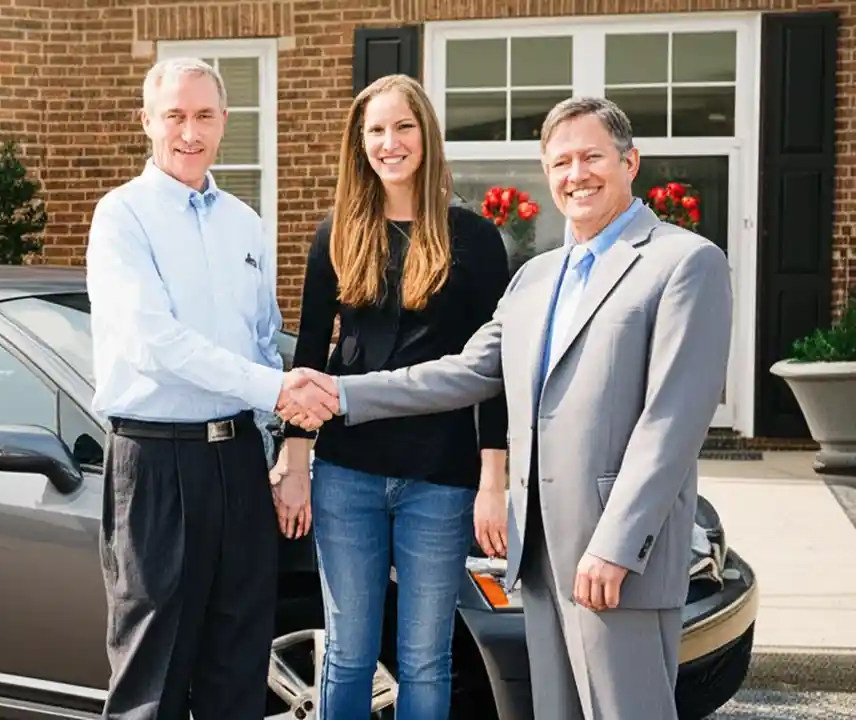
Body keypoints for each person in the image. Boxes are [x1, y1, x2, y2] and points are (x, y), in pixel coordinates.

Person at [290, 96, 734, 720]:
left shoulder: (684, 262)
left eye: (592, 157)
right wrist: (342, 394)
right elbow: (467, 372)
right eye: (561, 163)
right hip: (541, 556)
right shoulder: (537, 277)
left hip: (615, 558)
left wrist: (616, 544)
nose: (576, 175)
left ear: (630, 162)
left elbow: (672, 424)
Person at [85, 57, 338, 720]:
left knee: (239, 669)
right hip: (156, 462)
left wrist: (283, 450)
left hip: (238, 463)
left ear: (226, 121)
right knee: (153, 681)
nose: (190, 132)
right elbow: (155, 343)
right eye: (174, 116)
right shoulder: (122, 217)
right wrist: (278, 388)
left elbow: (261, 340)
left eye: (203, 115)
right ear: (147, 121)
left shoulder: (244, 223)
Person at [269, 73, 510, 720]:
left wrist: (493, 480)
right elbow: (311, 353)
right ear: (360, 143)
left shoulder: (475, 239)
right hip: (347, 472)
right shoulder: (337, 235)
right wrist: (296, 460)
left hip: (441, 475)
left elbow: (496, 371)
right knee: (348, 651)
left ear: (425, 135)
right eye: (375, 130)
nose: (389, 142)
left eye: (403, 126)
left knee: (426, 657)